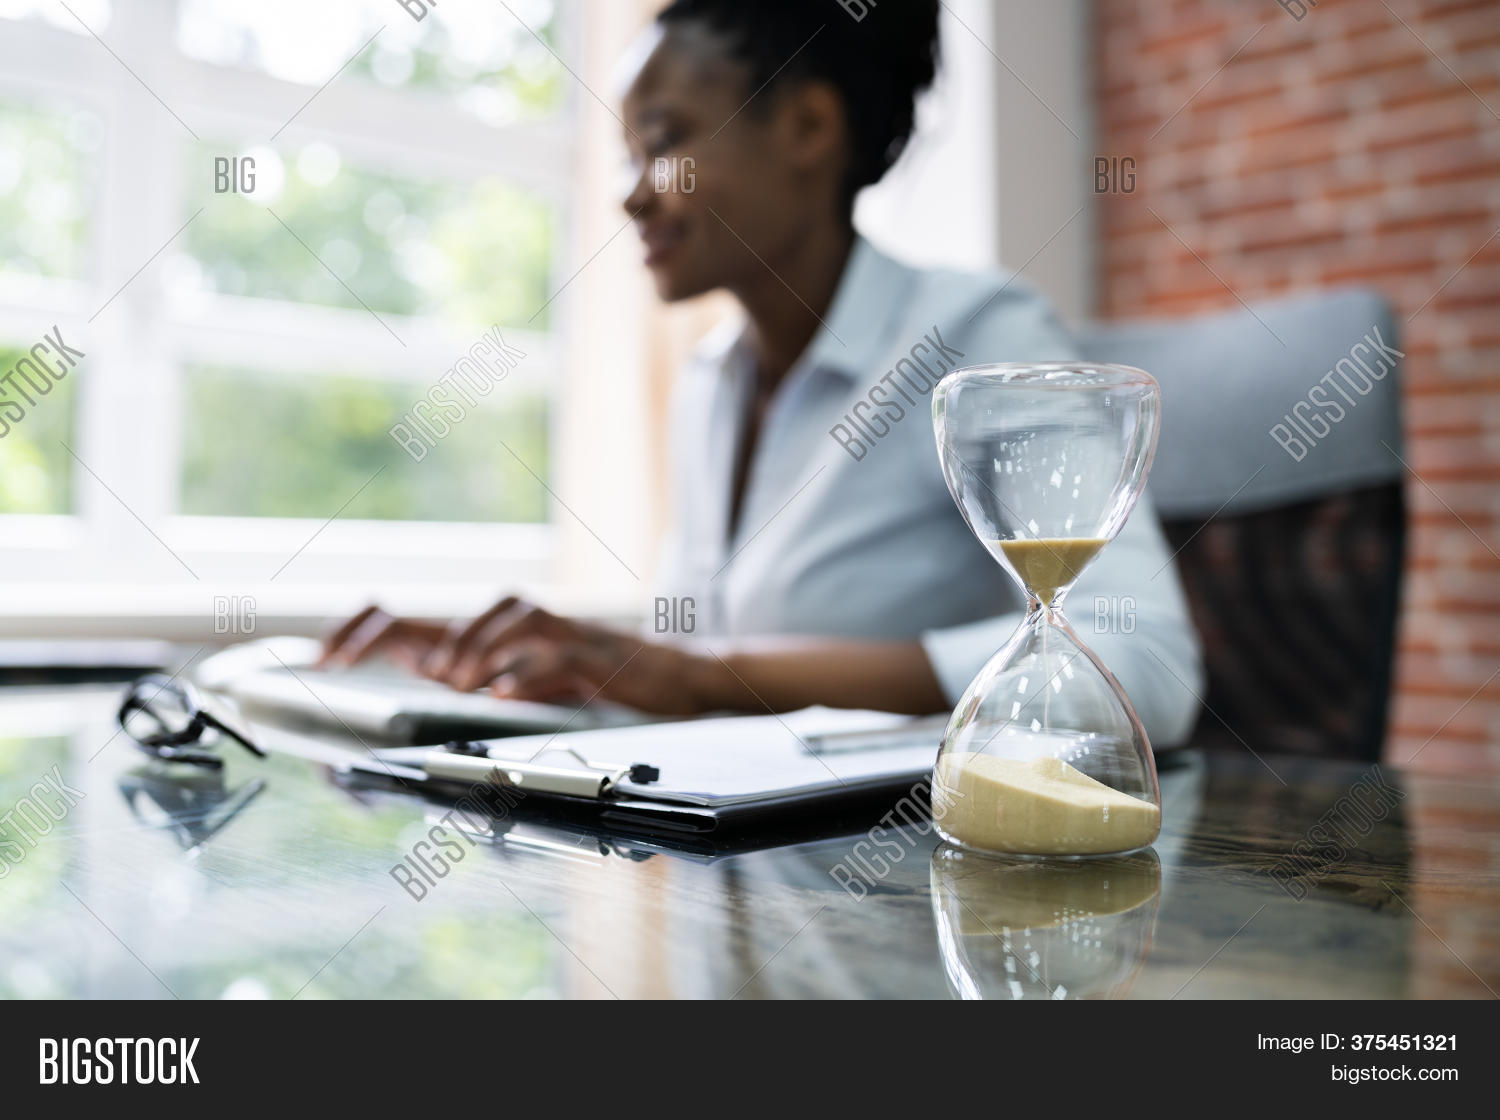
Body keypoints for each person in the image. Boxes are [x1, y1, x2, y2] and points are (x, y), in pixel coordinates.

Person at [321, 0, 1203, 746]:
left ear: (807, 129)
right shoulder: (710, 381)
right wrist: (504, 658)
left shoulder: (976, 338)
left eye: (663, 143)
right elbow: (709, 657)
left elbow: (1150, 663)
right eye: (629, 155)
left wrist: (707, 680)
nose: (632, 194)